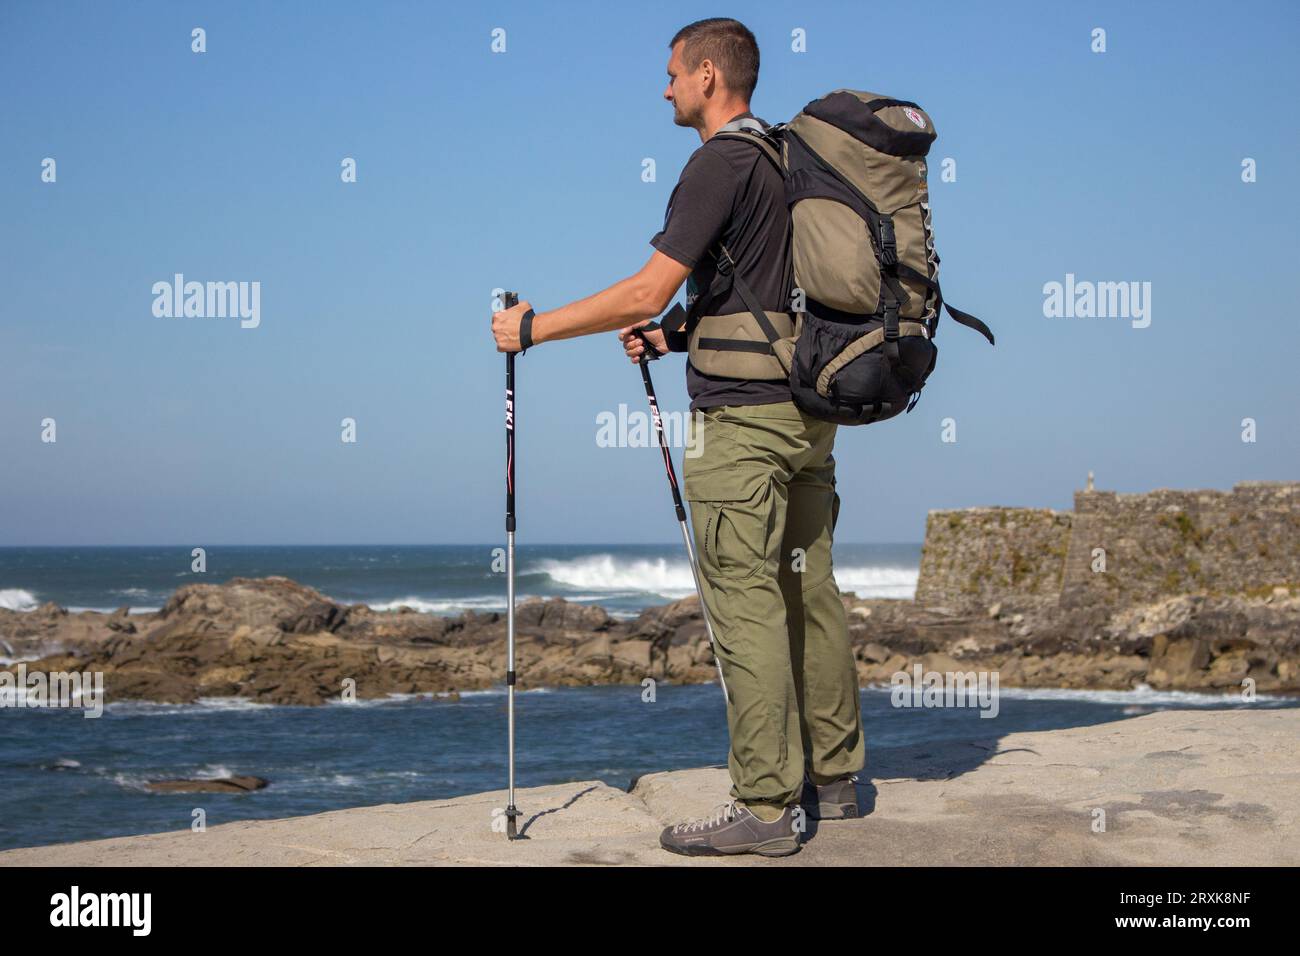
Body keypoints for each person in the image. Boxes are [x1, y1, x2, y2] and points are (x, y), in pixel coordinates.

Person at [491, 17, 863, 858]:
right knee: (810, 591)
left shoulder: (720, 161)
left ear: (706, 75)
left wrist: (535, 328)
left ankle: (765, 808)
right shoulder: (785, 161)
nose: (662, 90)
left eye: (669, 75)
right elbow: (758, 291)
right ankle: (834, 781)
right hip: (810, 416)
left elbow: (642, 289)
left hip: (743, 422)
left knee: (746, 603)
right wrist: (678, 334)